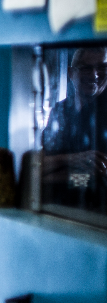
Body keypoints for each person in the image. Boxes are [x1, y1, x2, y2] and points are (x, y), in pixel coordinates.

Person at [40, 46, 107, 211]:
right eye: (86, 68)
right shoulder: (60, 110)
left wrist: (53, 176)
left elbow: (97, 180)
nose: (94, 75)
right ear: (71, 73)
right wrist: (72, 160)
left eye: (102, 68)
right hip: (55, 210)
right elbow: (37, 166)